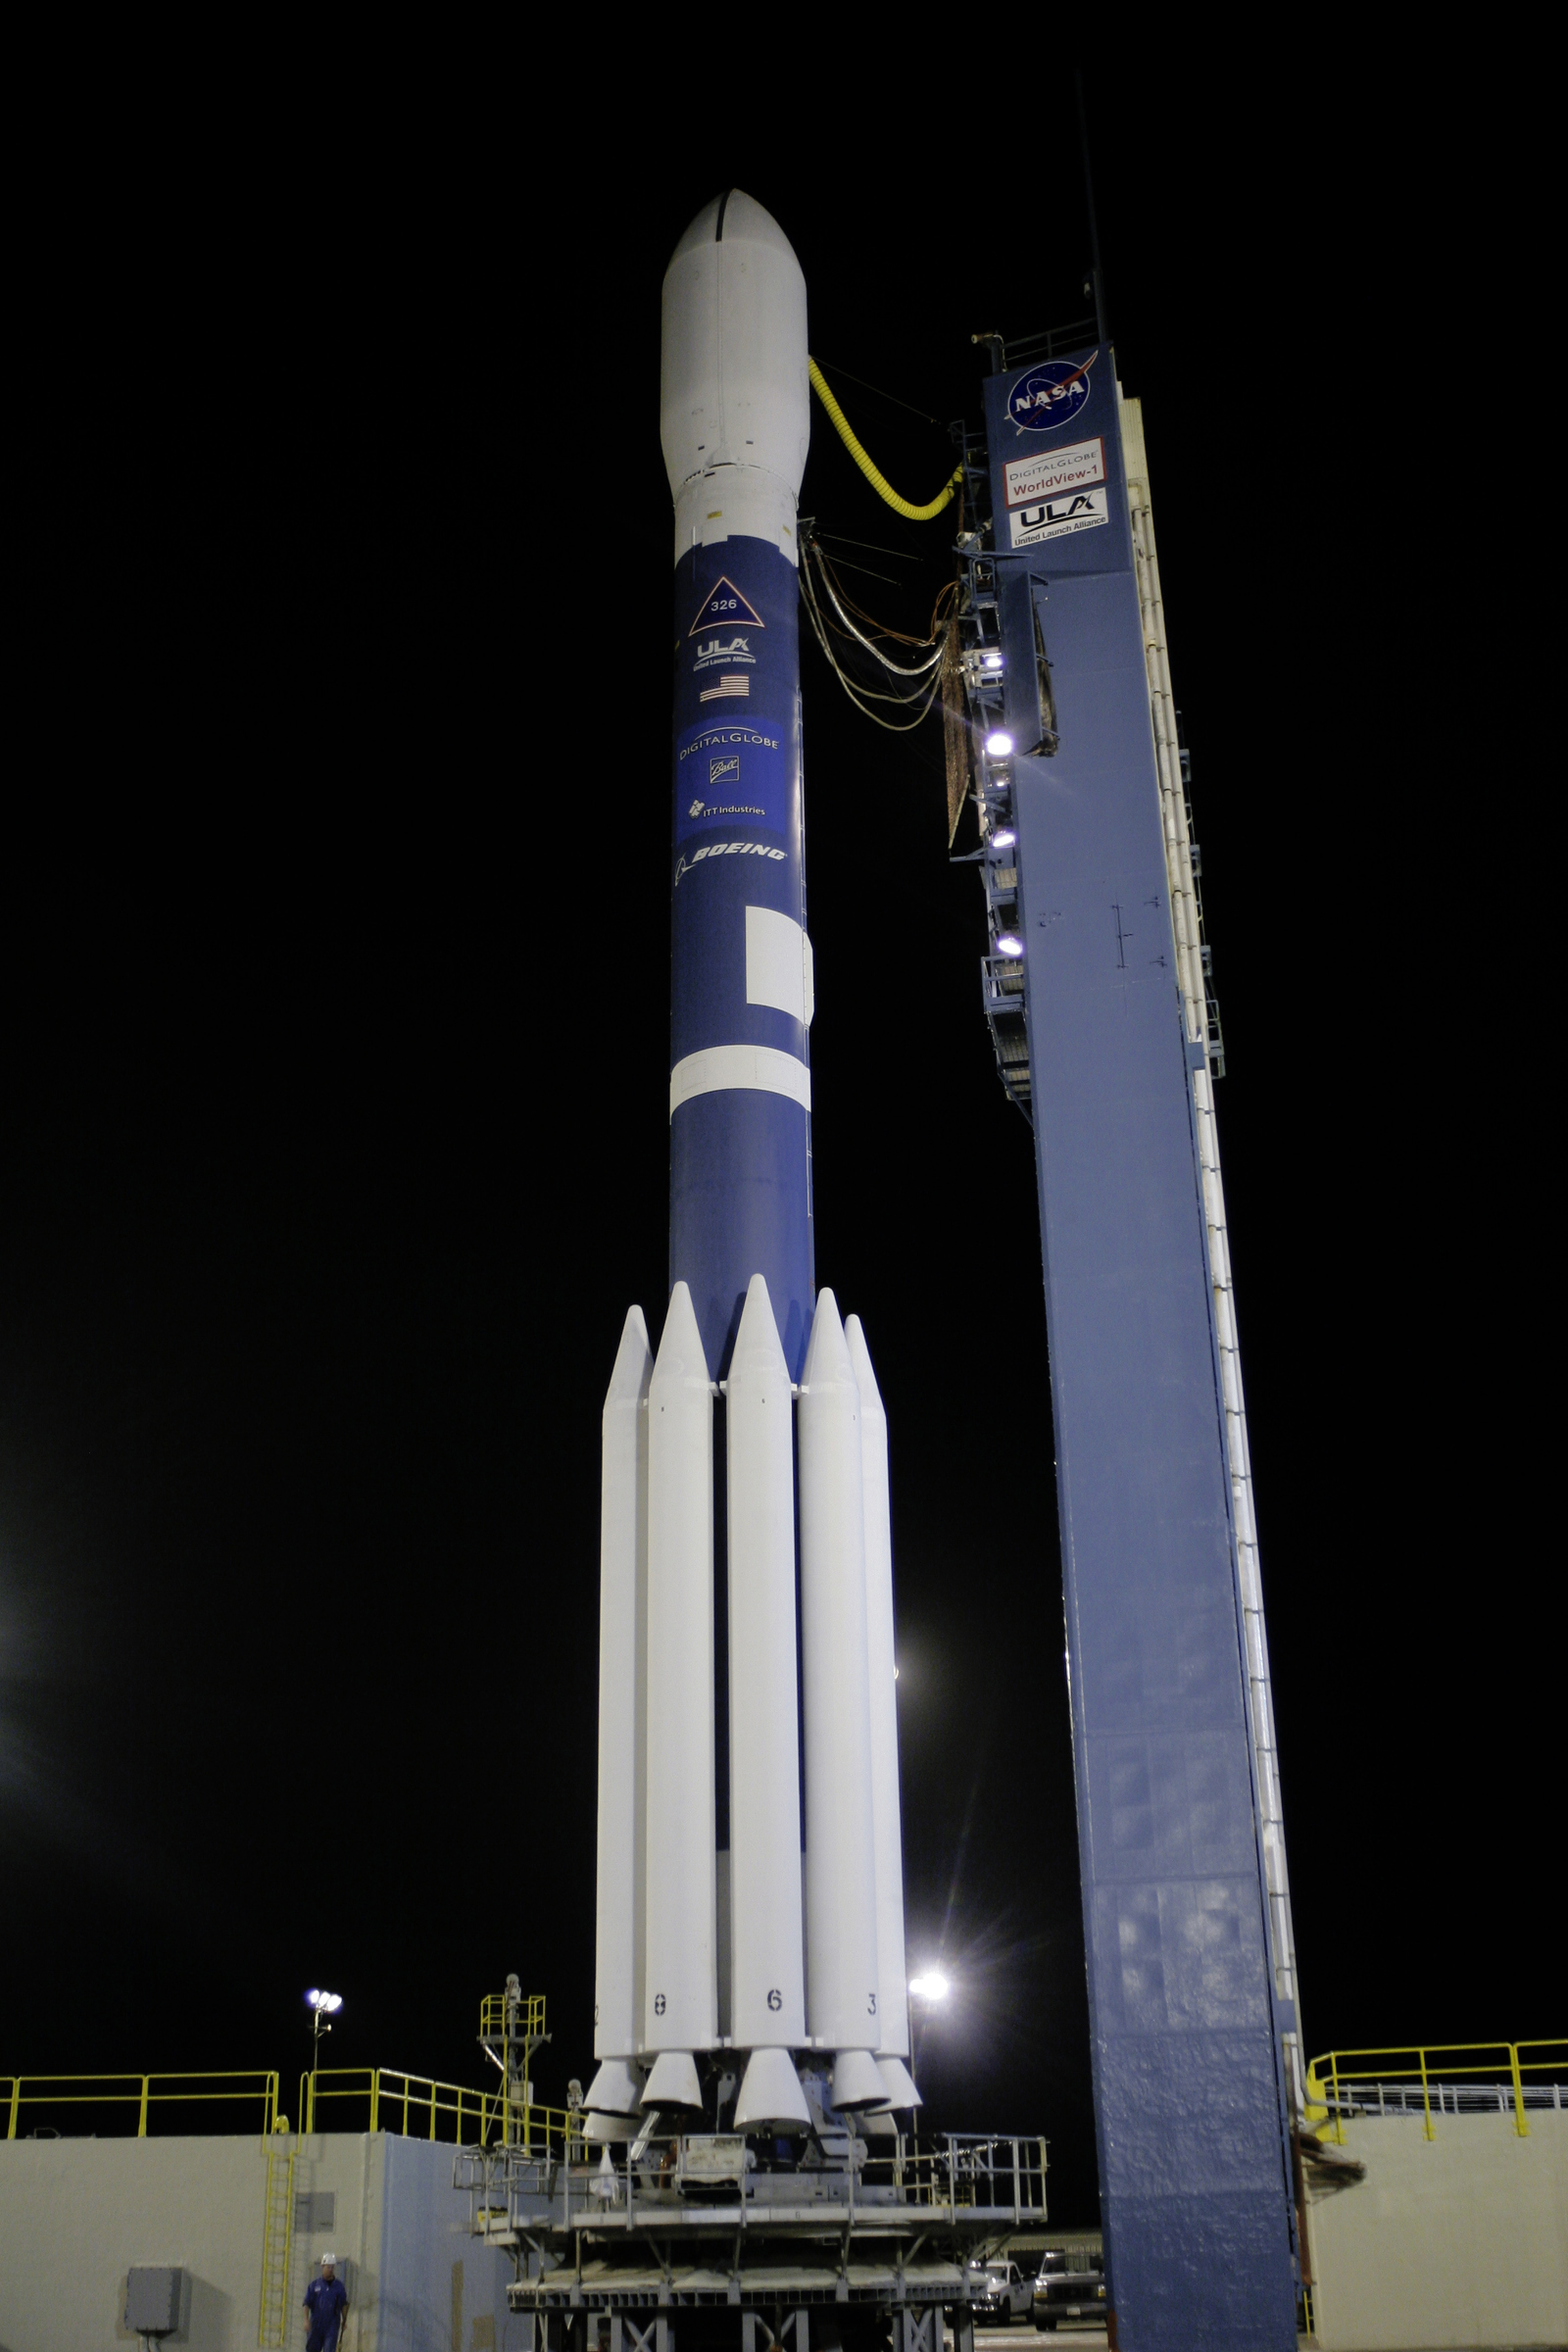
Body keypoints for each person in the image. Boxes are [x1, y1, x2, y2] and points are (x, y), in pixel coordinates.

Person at [304, 2252, 348, 2352]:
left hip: (331, 2326)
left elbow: (343, 2304)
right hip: (316, 2325)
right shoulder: (314, 2285)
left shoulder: (339, 2287)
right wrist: (306, 2320)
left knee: (329, 2349)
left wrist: (344, 2320)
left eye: (332, 2267)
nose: (330, 2270)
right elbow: (306, 2303)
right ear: (322, 2267)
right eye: (328, 2267)